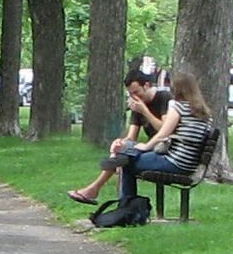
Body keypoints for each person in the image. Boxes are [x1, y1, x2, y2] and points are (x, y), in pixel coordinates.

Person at [87, 69, 214, 212]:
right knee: (127, 154)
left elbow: (163, 134)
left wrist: (145, 146)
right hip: (189, 164)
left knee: (126, 163)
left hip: (175, 161)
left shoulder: (177, 106)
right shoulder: (206, 114)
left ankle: (125, 209)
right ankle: (103, 180)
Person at [68, 69, 170, 204]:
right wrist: (120, 142)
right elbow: (131, 137)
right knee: (123, 151)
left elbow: (164, 129)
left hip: (167, 148)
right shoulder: (138, 104)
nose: (135, 97)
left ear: (146, 85)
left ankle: (95, 190)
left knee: (126, 160)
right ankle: (113, 200)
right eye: (131, 94)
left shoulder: (164, 98)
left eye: (136, 92)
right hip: (151, 147)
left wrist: (145, 111)